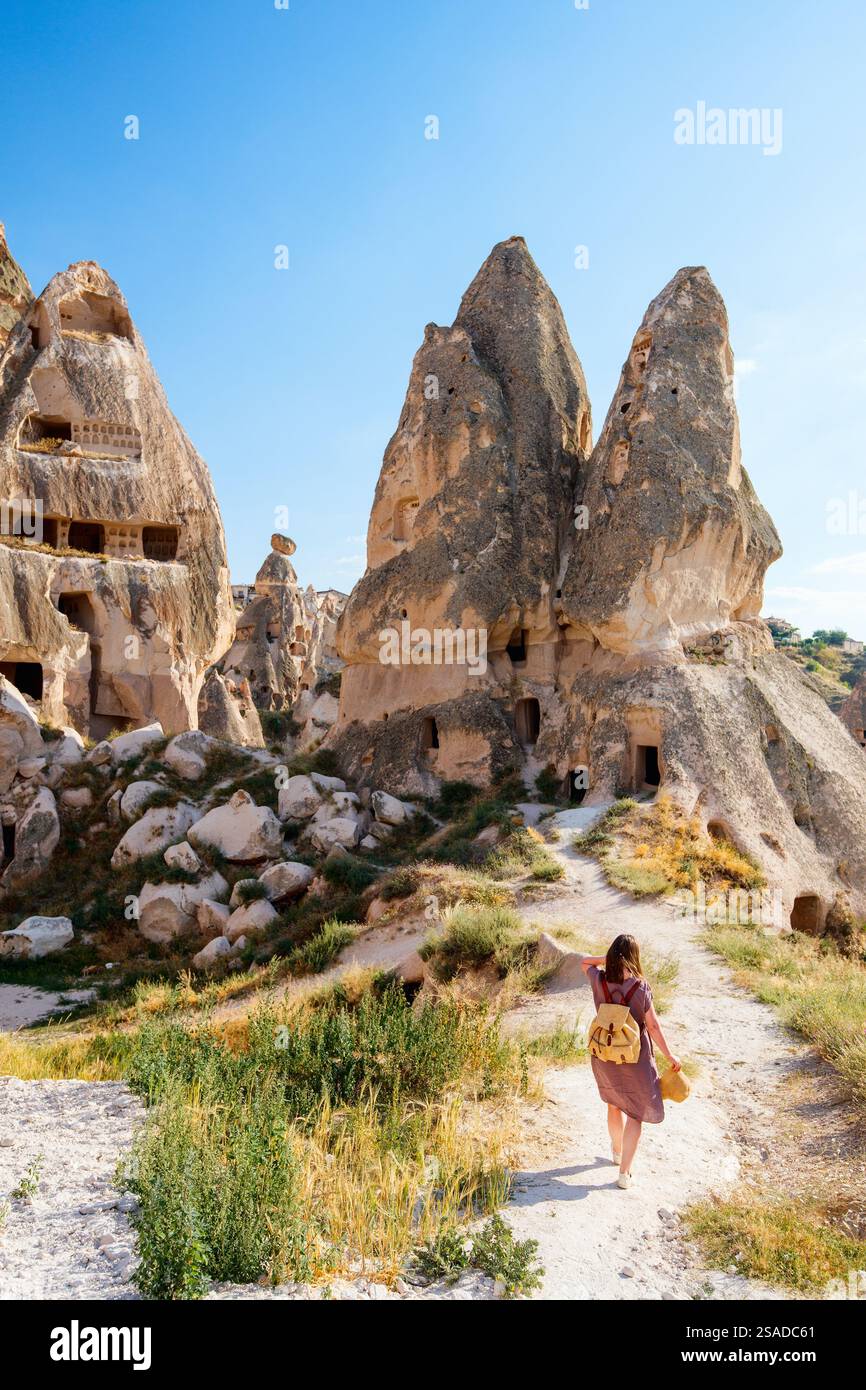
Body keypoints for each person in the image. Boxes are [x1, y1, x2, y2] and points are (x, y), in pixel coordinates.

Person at [580, 934, 681, 1189]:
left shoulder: (599, 979)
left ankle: (616, 1153)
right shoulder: (640, 986)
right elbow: (653, 1026)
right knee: (635, 1113)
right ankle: (624, 1173)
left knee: (613, 1105)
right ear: (635, 957)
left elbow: (584, 963)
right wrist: (670, 1055)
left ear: (613, 955)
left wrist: (608, 960)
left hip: (604, 1054)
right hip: (635, 1057)